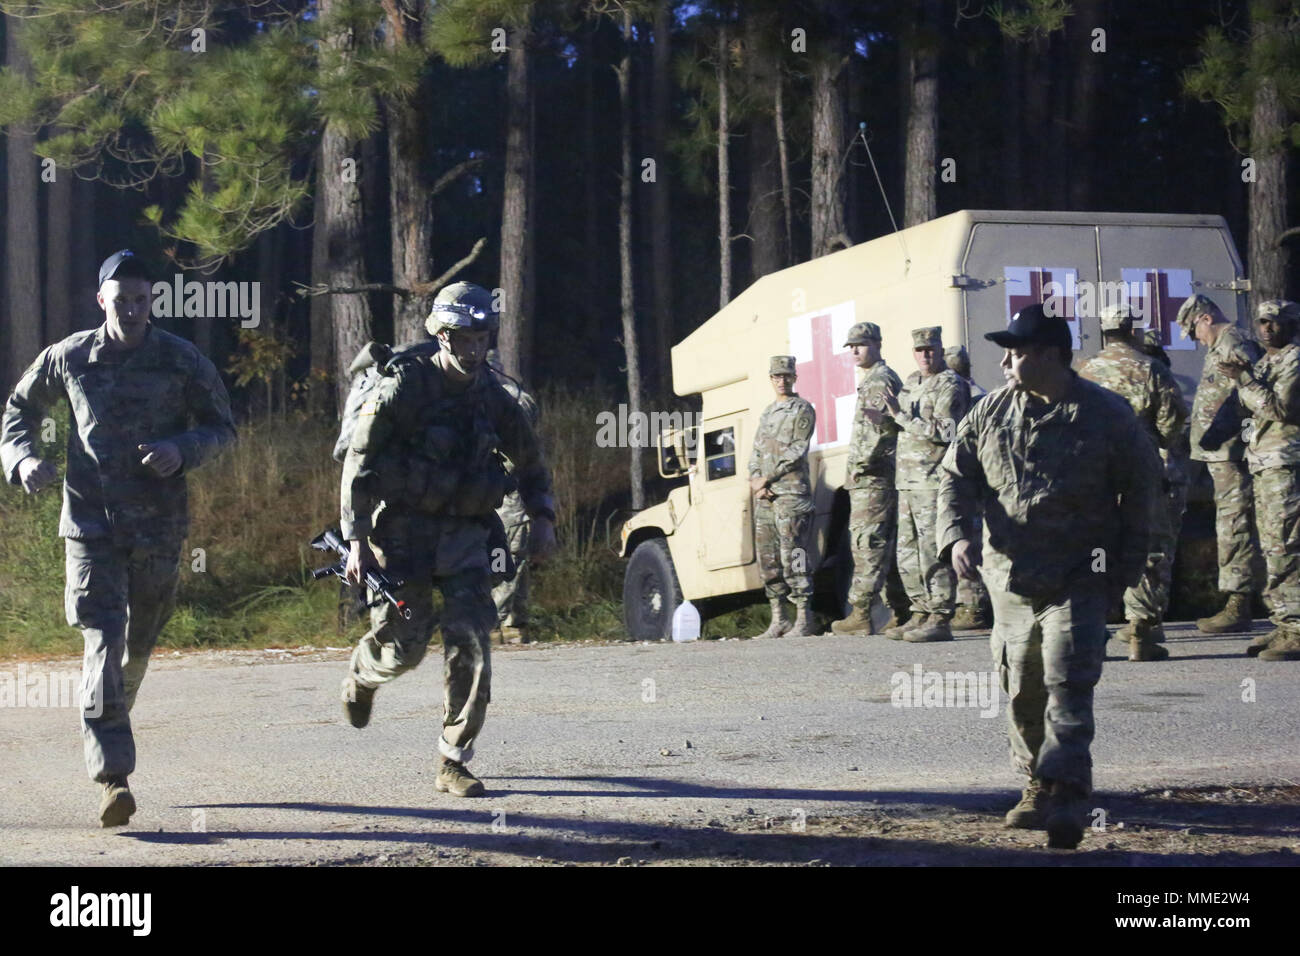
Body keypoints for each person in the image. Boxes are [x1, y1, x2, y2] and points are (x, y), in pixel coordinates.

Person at [0, 249, 236, 827]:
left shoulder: (181, 360)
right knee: (103, 644)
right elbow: (18, 412)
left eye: (141, 299)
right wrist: (23, 459)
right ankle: (113, 777)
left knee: (138, 649)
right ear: (100, 298)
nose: (131, 310)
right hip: (90, 526)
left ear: (151, 300)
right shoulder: (70, 357)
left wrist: (183, 450)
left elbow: (222, 427)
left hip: (158, 528)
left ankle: (108, 710)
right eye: (120, 299)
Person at [937, 303, 1159, 850]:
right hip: (1009, 575)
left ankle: (1068, 793)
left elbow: (1143, 493)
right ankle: (1035, 782)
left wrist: (1123, 572)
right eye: (1008, 352)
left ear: (1052, 355)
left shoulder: (1107, 414)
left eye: (1018, 352)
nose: (1008, 361)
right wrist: (956, 536)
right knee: (1022, 684)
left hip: (1080, 573)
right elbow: (953, 477)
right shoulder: (989, 413)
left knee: (1068, 679)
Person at [338, 281, 557, 797]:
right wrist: (356, 540)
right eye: (461, 336)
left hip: (464, 536)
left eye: (481, 336)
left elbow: (530, 463)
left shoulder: (495, 399)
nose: (472, 347)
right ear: (440, 335)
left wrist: (543, 515)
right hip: (402, 532)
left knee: (473, 646)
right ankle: (363, 677)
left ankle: (453, 759)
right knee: (403, 647)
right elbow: (359, 465)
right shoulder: (403, 388)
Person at [1078, 304, 1188, 661]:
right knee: (1146, 546)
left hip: (1096, 472)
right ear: (1132, 331)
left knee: (1097, 549)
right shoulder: (1149, 367)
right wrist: (1153, 441)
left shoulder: (1086, 371)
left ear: (1104, 332)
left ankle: (1092, 629)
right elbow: (1173, 421)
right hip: (1140, 468)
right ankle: (1141, 631)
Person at [1176, 293, 1264, 634]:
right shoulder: (1221, 345)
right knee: (1229, 522)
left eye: (1194, 330)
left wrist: (1229, 436)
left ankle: (1239, 604)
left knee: (1235, 524)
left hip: (1232, 453)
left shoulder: (1233, 342)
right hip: (1219, 453)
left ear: (1205, 318)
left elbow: (1248, 394)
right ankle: (1237, 599)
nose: (1196, 339)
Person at [1221, 299, 1300, 661]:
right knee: (1272, 547)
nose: (1266, 327)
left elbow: (1280, 409)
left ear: (1291, 324)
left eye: (1275, 322)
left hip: (1286, 464)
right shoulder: (1266, 363)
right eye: (1262, 321)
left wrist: (1245, 379)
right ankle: (1284, 622)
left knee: (1287, 546)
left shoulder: (1294, 360)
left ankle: (1297, 629)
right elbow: (1252, 411)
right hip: (1264, 464)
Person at [882, 327, 970, 642]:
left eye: (930, 349)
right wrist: (885, 418)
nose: (925, 355)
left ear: (940, 349)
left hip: (933, 480)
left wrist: (901, 417)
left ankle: (941, 616)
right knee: (907, 551)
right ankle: (919, 610)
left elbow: (946, 432)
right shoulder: (910, 383)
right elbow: (899, 419)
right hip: (906, 481)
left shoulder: (950, 384)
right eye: (919, 350)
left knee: (934, 550)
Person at [831, 322, 903, 635]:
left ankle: (860, 614)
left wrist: (863, 463)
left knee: (867, 542)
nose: (855, 351)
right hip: (872, 476)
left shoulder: (879, 381)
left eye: (861, 344)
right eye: (851, 346)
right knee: (886, 543)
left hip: (872, 477)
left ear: (877, 344)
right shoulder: (873, 380)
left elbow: (881, 431)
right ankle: (901, 610)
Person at [748, 355, 817, 638]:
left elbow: (797, 449)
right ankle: (779, 618)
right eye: (776, 376)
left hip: (791, 495)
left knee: (795, 556)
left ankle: (804, 616)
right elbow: (756, 450)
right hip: (766, 497)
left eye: (786, 376)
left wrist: (769, 476)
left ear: (794, 378)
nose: (782, 381)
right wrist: (755, 480)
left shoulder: (802, 409)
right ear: (771, 379)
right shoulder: (767, 413)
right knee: (769, 559)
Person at [1133, 329, 1192, 646]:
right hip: (1167, 477)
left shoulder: (1150, 380)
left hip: (1160, 476)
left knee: (1151, 552)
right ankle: (1148, 620)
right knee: (1159, 553)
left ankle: (1144, 620)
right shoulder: (1160, 383)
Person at [486, 350, 541, 645]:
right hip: (498, 495)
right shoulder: (508, 398)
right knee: (509, 557)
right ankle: (512, 623)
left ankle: (500, 622)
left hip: (511, 496)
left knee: (509, 556)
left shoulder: (511, 399)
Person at [943, 344, 990, 629]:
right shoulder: (981, 394)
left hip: (971, 476)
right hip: (980, 476)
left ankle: (973, 608)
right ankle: (976, 605)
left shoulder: (966, 397)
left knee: (968, 538)